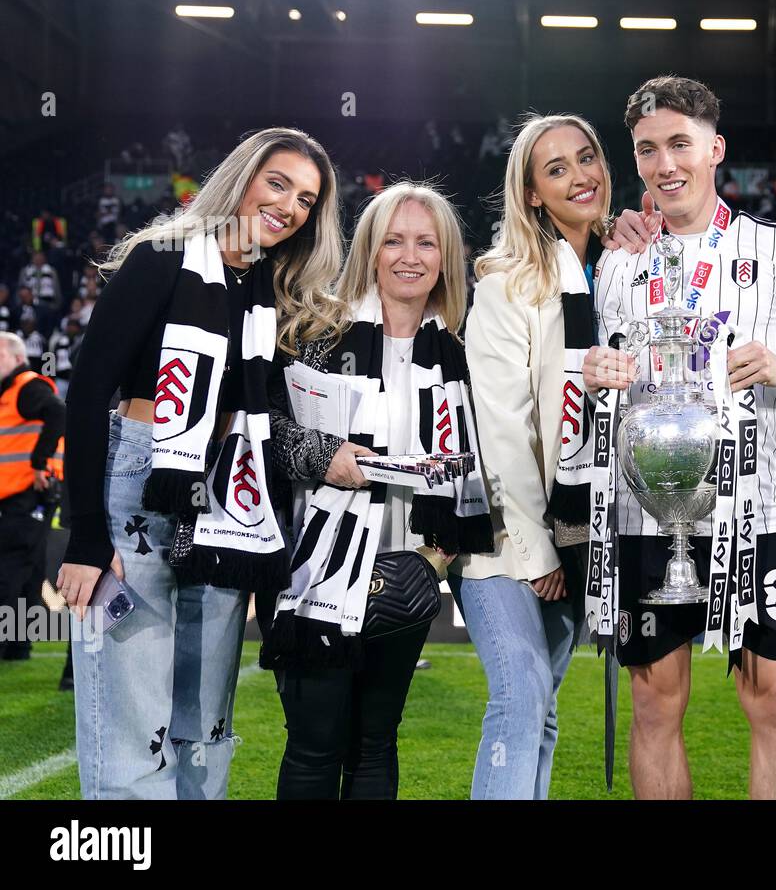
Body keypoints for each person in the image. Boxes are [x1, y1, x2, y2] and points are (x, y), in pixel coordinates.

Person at [58, 127, 346, 799]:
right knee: (133, 726)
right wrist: (87, 534)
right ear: (242, 178)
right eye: (278, 183)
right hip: (135, 485)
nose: (290, 207)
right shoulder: (162, 258)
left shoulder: (272, 290)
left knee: (204, 729)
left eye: (306, 199)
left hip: (226, 503)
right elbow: (90, 387)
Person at [591, 76, 776, 799]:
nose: (664, 164)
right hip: (644, 511)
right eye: (646, 150)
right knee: (655, 702)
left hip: (751, 510)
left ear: (714, 149)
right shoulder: (620, 259)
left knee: (773, 701)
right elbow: (590, 369)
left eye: (679, 144)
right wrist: (593, 367)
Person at [260, 181, 492, 799]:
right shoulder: (315, 329)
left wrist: (435, 559)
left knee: (374, 744)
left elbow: (481, 461)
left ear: (446, 256)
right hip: (314, 573)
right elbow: (262, 431)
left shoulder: (466, 349)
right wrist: (323, 455)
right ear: (370, 248)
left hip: (408, 577)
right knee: (313, 746)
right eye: (394, 241)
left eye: (426, 242)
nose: (409, 256)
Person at [457, 114, 611, 798]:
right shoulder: (507, 285)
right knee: (520, 704)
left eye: (587, 158)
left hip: (582, 536)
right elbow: (502, 430)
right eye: (557, 168)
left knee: (541, 715)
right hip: (507, 542)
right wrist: (540, 549)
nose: (580, 176)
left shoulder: (619, 274)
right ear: (530, 195)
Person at [0, 332, 65, 660]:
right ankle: (18, 644)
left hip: (28, 491)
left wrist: (40, 463)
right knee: (27, 567)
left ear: (16, 357)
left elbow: (58, 413)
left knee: (9, 566)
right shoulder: (12, 391)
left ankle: (10, 641)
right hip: (22, 492)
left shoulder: (27, 387)